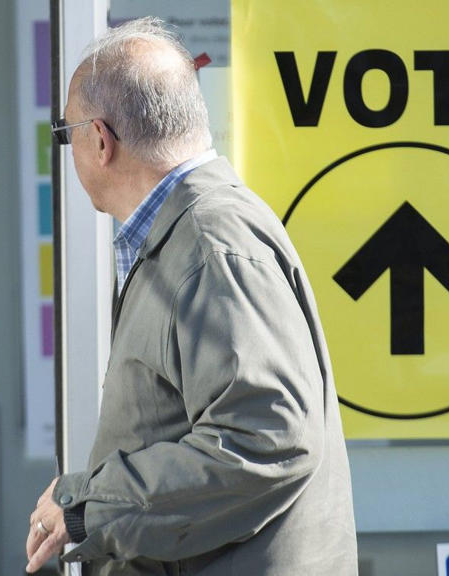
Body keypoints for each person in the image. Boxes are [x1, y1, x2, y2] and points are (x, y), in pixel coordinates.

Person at [26, 17, 358, 576]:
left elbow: (268, 438)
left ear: (100, 139)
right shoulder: (191, 232)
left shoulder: (210, 243)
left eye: (66, 134)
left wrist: (90, 506)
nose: (70, 150)